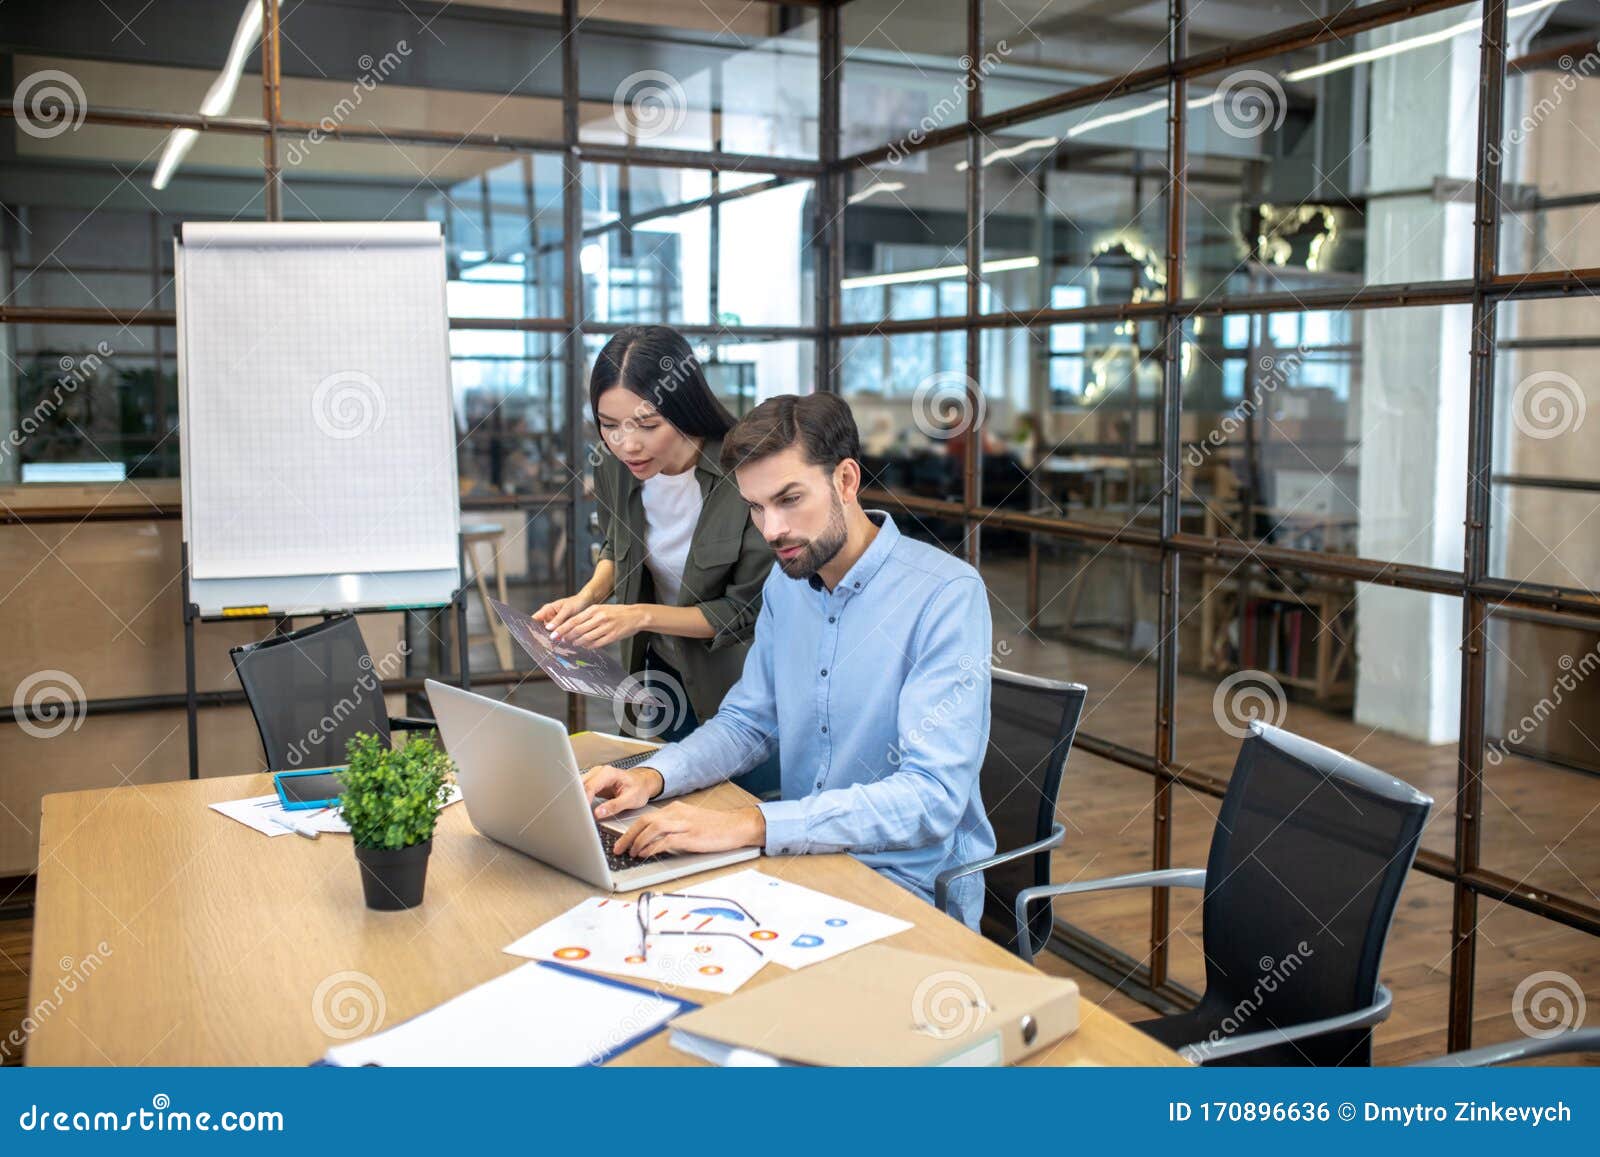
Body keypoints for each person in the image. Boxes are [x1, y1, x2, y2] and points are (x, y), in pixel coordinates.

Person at [582, 392, 997, 929]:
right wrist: (653, 776)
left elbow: (931, 798)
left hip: (906, 888)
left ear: (846, 481)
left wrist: (752, 824)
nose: (772, 529)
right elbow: (748, 722)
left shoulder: (945, 595)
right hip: (804, 865)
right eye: (755, 507)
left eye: (788, 499)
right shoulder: (788, 580)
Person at [534, 326, 774, 785]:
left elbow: (740, 613)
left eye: (647, 425)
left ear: (685, 410)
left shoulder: (744, 472)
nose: (627, 445)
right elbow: (616, 546)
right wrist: (585, 599)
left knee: (743, 805)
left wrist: (637, 615)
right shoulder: (613, 468)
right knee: (670, 796)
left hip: (737, 681)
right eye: (609, 426)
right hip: (665, 669)